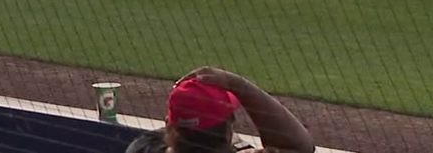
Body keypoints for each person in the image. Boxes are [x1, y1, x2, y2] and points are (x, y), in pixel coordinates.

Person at [124, 67, 315, 153]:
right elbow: (300, 147)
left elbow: (180, 136)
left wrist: (186, 121)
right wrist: (238, 84)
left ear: (169, 125)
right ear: (229, 127)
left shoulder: (142, 147)